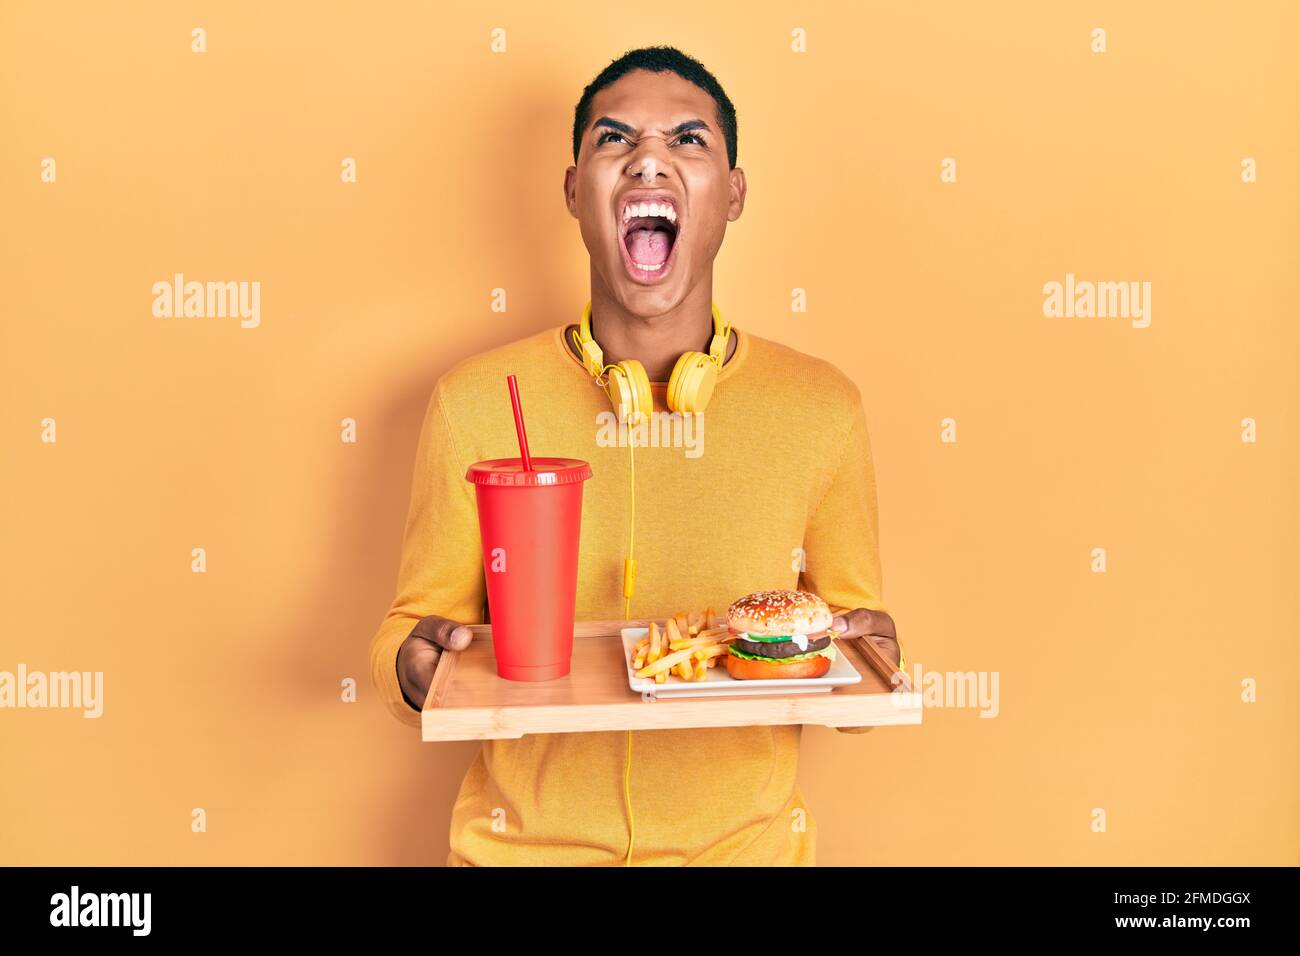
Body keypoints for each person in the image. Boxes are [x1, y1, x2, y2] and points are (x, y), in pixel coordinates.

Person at [368, 45, 904, 866]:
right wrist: (412, 667)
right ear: (575, 190)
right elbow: (408, 636)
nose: (650, 159)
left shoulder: (821, 408)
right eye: (615, 140)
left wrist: (877, 654)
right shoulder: (475, 400)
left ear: (733, 195)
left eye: (688, 140)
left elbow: (857, 674)